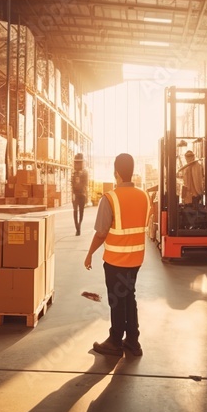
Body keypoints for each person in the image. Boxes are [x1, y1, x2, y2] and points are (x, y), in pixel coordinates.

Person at [83, 153, 150, 357]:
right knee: (129, 297)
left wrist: (89, 253)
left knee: (117, 299)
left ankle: (115, 341)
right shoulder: (144, 196)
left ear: (117, 173)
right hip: (136, 259)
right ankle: (132, 342)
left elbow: (102, 232)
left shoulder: (110, 198)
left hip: (115, 259)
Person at [71, 153, 89, 236]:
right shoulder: (73, 173)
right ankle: (77, 228)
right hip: (75, 195)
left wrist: (86, 196)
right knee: (75, 211)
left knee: (81, 212)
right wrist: (73, 195)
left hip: (82, 195)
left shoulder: (85, 173)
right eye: (76, 162)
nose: (77, 164)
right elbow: (72, 185)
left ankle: (79, 226)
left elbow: (86, 184)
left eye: (79, 162)